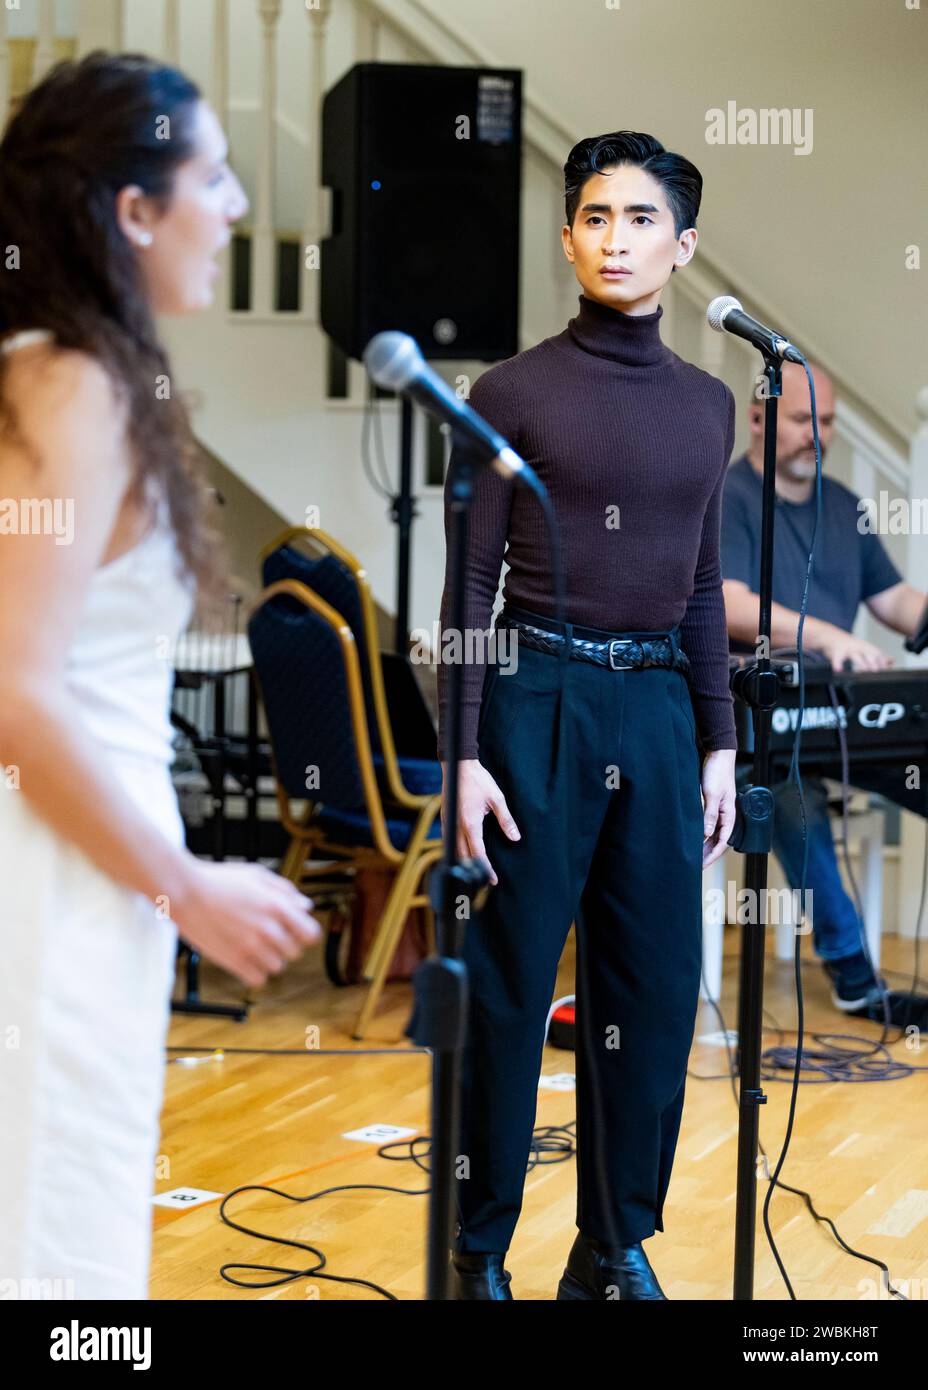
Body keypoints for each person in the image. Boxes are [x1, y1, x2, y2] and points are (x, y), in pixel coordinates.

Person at [0, 53, 321, 1301]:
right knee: (48, 1242)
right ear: (133, 210)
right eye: (214, 175)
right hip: (54, 879)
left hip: (89, 870)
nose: (237, 205)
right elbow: (16, 694)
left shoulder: (73, 373)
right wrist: (187, 884)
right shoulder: (66, 381)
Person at [436, 131, 737, 1300]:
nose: (617, 239)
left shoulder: (710, 406)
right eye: (596, 218)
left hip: (660, 708)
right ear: (567, 237)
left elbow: (705, 584)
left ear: (684, 245)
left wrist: (718, 738)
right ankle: (476, 1252)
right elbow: (466, 588)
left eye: (641, 219)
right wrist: (461, 752)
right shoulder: (508, 393)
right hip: (537, 698)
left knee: (653, 991)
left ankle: (611, 1244)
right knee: (511, 988)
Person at [721, 362, 928, 1013]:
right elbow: (726, 600)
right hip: (754, 723)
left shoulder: (842, 504)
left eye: (829, 421)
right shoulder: (726, 497)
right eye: (803, 419)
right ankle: (857, 982)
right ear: (759, 418)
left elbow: (893, 599)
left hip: (843, 720)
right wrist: (824, 637)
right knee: (787, 793)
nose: (819, 434)